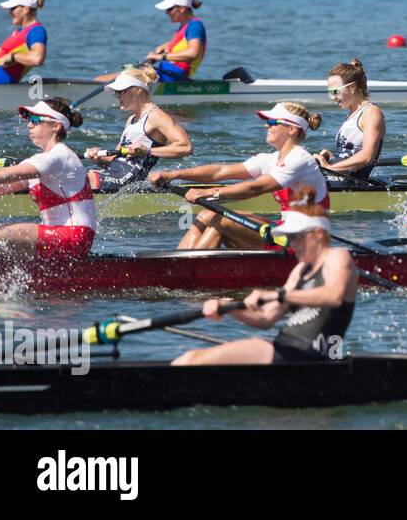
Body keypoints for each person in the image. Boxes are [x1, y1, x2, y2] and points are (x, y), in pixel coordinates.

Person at [172, 190, 357, 365]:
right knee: (189, 358)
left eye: (296, 237)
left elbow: (334, 296)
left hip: (308, 355)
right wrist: (227, 307)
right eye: (289, 237)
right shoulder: (300, 271)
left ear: (317, 234)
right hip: (286, 349)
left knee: (191, 360)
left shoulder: (337, 256)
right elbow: (266, 318)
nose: (292, 244)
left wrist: (276, 295)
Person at [149, 102, 326, 250]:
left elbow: (255, 188)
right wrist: (172, 174)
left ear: (292, 129)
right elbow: (220, 172)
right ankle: (177, 264)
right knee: (205, 215)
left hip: (306, 239)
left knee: (222, 220)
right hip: (284, 230)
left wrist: (209, 193)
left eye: (272, 122)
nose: (267, 125)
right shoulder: (269, 159)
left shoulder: (299, 158)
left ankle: (187, 271)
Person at [0, 99, 95, 262]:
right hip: (54, 234)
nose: (29, 125)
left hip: (73, 238)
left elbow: (1, 174)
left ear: (56, 126)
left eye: (36, 120)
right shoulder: (40, 161)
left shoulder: (59, 156)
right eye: (29, 120)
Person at [83, 68, 192, 189]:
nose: (117, 96)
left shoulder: (156, 116)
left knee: (82, 179)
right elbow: (118, 160)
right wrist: (98, 158)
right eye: (116, 92)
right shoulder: (131, 120)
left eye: (121, 91)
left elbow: (185, 147)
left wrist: (148, 151)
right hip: (114, 175)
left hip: (129, 182)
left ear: (138, 90)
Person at [98, 0, 206, 83]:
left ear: (182, 9)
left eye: (169, 9)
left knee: (105, 79)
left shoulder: (195, 25)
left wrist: (160, 56)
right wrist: (165, 47)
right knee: (113, 76)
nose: (166, 13)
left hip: (174, 76)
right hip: (167, 72)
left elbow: (193, 53)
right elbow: (183, 43)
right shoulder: (186, 26)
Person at [314, 59, 385, 185]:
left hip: (352, 181)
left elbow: (367, 156)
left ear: (352, 87)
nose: (333, 98)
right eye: (330, 93)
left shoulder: (371, 113)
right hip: (340, 176)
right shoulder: (352, 113)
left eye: (335, 92)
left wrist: (329, 167)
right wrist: (332, 157)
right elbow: (349, 153)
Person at [0, 0, 47, 84]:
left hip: (0, 79)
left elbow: (37, 59)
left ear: (26, 9)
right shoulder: (18, 32)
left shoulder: (37, 30)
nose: (9, 12)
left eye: (12, 8)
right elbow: (0, 51)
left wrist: (13, 57)